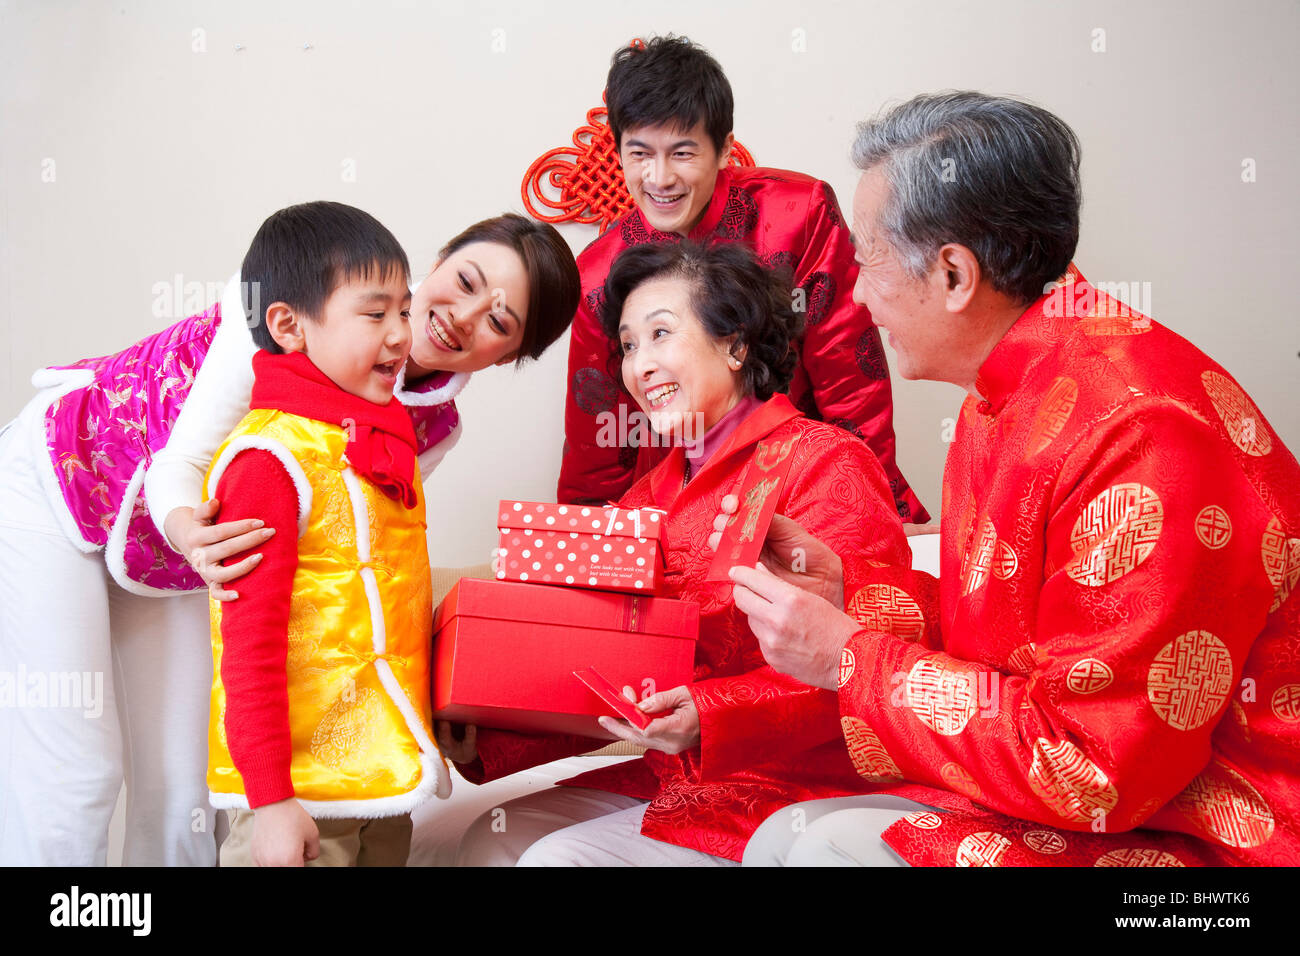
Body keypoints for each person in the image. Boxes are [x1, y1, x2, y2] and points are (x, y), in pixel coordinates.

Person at [725, 92, 1299, 866]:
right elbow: (1022, 644)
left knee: (827, 850)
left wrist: (849, 657)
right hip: (1128, 804)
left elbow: (1095, 771)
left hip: (1218, 840)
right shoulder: (1005, 392)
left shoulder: (1139, 429)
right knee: (784, 834)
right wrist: (847, 596)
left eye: (869, 263)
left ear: (955, 273)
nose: (857, 296)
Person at [0, 209, 579, 866]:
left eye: (499, 323)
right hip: (66, 483)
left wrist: (429, 698)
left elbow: (369, 569)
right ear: (442, 257)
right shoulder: (293, 311)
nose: (464, 316)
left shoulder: (430, 429)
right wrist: (193, 536)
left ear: (511, 356)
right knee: (75, 777)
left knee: (182, 789)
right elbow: (183, 464)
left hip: (191, 555)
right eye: (466, 279)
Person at [447, 241, 915, 866]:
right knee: (492, 838)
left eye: (661, 334)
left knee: (556, 861)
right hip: (674, 774)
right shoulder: (645, 497)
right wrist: (480, 734)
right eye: (629, 345)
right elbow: (595, 667)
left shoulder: (826, 463)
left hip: (795, 785)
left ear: (735, 345)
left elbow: (874, 655)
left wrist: (712, 713)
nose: (639, 366)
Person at [558, 35, 927, 523]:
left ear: (724, 148)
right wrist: (586, 547)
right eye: (640, 153)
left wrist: (863, 505)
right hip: (677, 495)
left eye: (683, 153)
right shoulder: (596, 276)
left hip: (802, 482)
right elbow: (599, 434)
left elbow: (852, 381)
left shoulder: (799, 214)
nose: (660, 177)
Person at [206, 201, 449, 866]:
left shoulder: (370, 440)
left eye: (405, 310)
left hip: (380, 784)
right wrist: (271, 802)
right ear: (289, 326)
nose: (402, 335)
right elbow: (247, 647)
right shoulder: (271, 461)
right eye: (376, 314)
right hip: (298, 798)